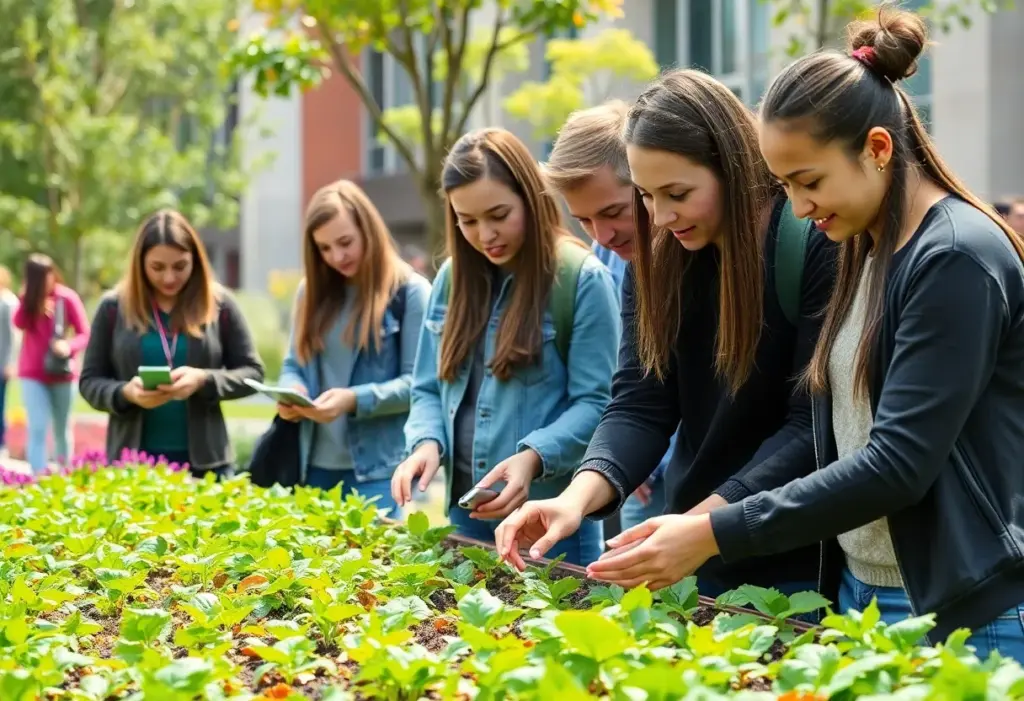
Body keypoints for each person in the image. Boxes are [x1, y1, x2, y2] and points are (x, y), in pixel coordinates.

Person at [574, 8, 1024, 661]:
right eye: (785, 185)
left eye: (808, 181)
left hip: (962, 610)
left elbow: (897, 465)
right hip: (863, 597)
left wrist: (714, 531)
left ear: (877, 149)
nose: (802, 207)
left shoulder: (955, 256)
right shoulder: (865, 249)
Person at [495, 69, 839, 597]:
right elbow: (640, 404)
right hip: (692, 552)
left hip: (796, 559)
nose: (660, 216)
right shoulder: (655, 261)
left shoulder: (811, 244)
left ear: (730, 165)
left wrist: (700, 528)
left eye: (676, 193)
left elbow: (812, 427)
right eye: (648, 197)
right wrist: (576, 497)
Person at [394, 128, 620, 566]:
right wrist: (425, 443)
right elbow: (426, 387)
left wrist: (533, 456)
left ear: (531, 199)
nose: (485, 234)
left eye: (498, 214)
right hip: (466, 514)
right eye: (468, 220)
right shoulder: (451, 280)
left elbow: (598, 405)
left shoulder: (579, 279)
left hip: (548, 525)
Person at [544, 100, 678, 531]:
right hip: (635, 469)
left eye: (614, 212)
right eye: (584, 220)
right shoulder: (609, 255)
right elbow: (632, 384)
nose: (602, 235)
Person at [276, 179, 430, 513]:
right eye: (324, 248)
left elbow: (417, 387)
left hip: (377, 471)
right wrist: (292, 390)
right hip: (312, 466)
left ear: (368, 230)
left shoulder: (410, 293)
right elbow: (292, 365)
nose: (337, 256)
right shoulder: (310, 293)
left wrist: (351, 400)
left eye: (345, 242)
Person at [80, 210, 264, 479]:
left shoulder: (219, 304)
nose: (169, 278)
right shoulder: (113, 308)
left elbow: (253, 373)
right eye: (157, 267)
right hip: (131, 465)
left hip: (206, 465)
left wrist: (204, 380)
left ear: (196, 261)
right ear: (140, 264)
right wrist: (126, 393)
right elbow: (89, 381)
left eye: (180, 266)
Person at [13, 254, 89, 473]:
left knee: (62, 428)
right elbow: (18, 323)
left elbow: (85, 333)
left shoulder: (66, 298)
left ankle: (64, 475)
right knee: (37, 427)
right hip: (32, 374)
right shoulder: (28, 301)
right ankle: (37, 478)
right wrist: (28, 299)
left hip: (62, 373)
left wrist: (69, 346)